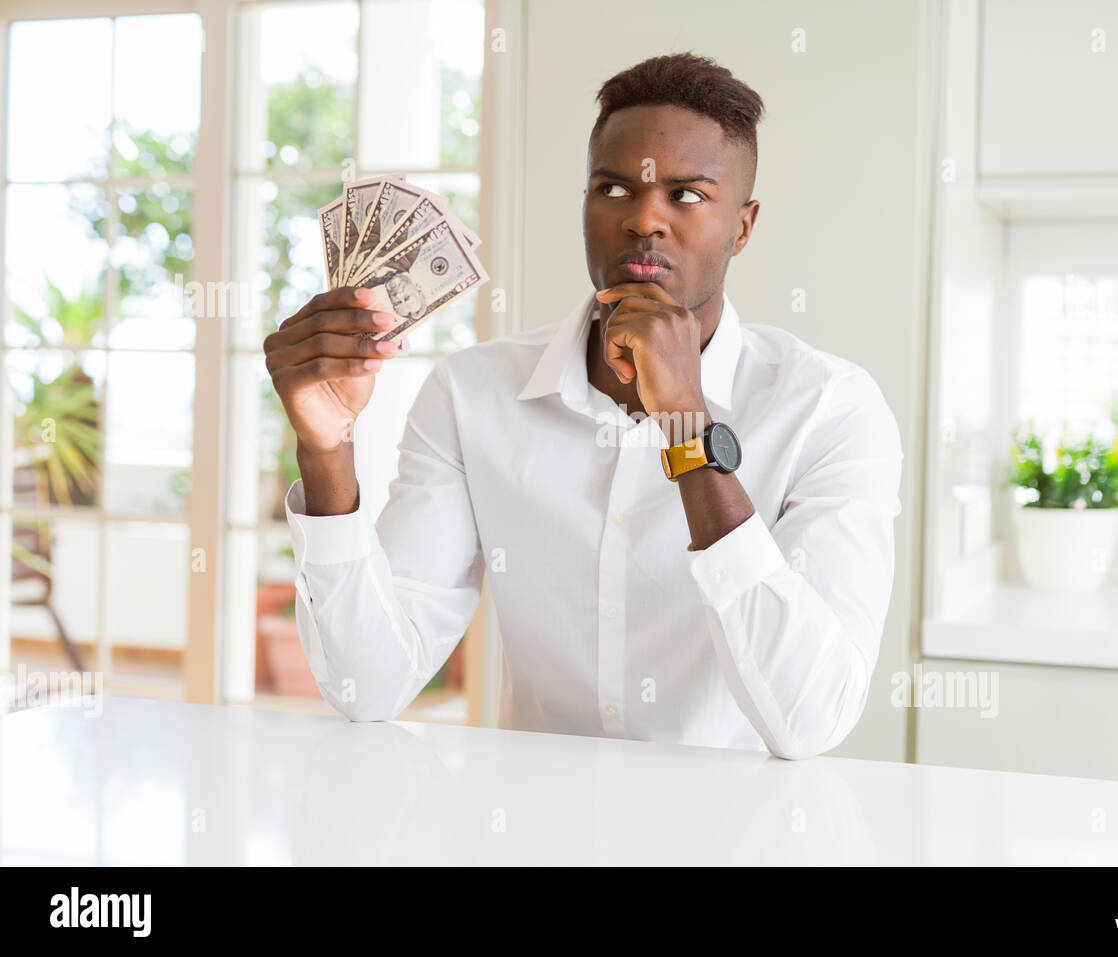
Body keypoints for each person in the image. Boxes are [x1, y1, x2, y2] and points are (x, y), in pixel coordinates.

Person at [262, 52, 903, 760]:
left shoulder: (830, 410)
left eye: (686, 195)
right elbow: (367, 686)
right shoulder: (473, 394)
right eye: (613, 188)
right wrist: (326, 452)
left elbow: (810, 719)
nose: (644, 220)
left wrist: (686, 423)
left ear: (742, 227)